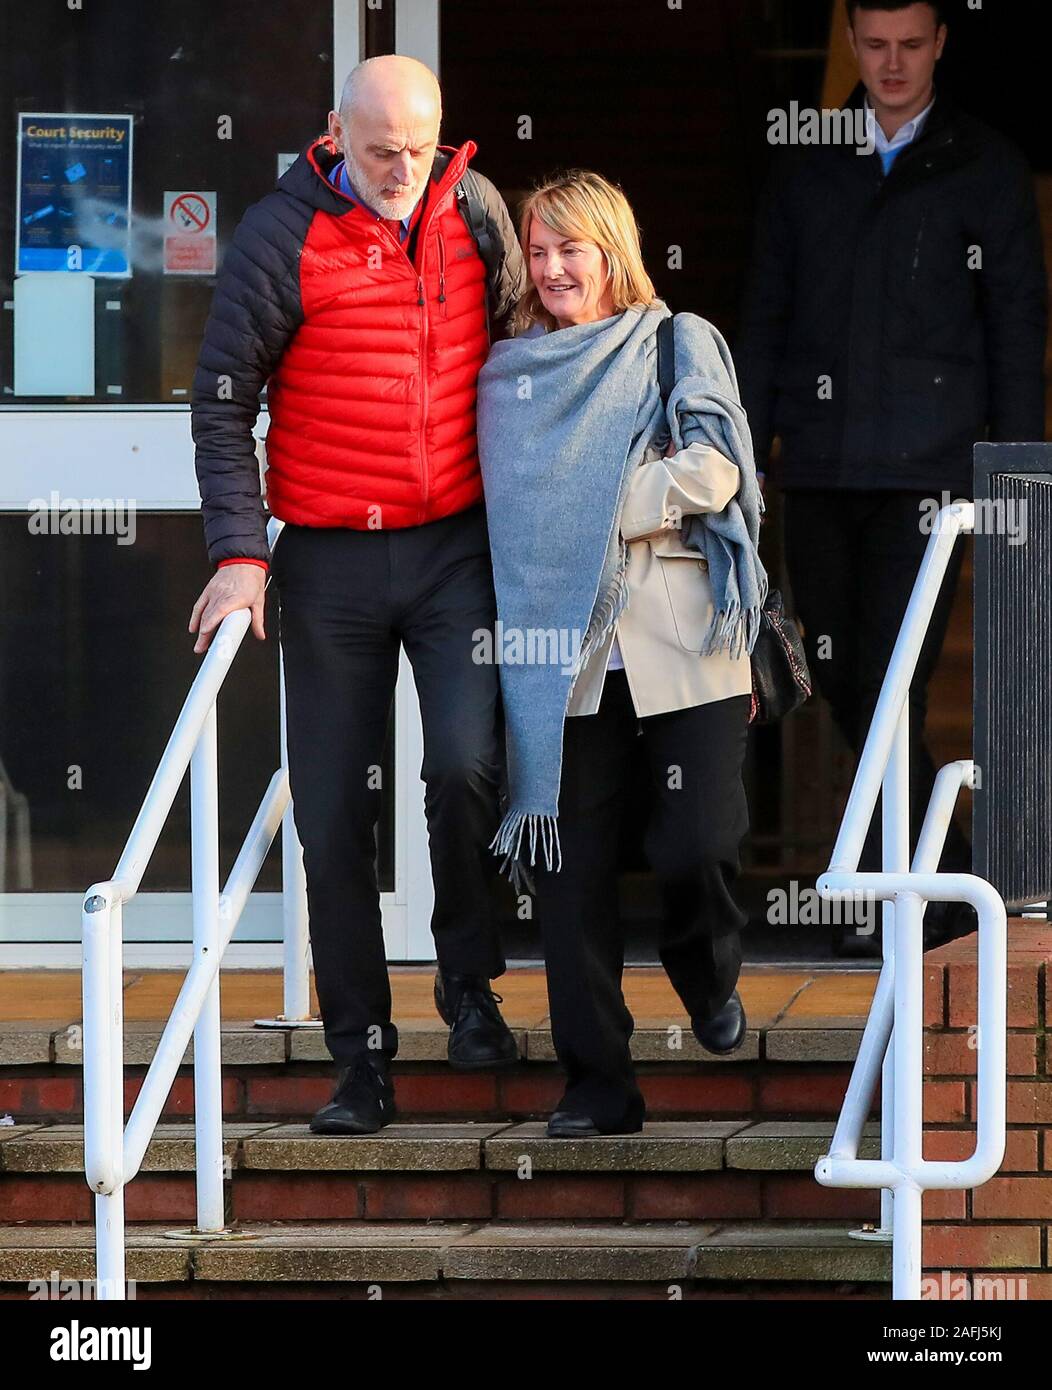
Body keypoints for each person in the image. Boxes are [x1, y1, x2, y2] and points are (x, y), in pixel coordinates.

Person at [188, 55, 528, 1135]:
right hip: (330, 559)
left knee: (468, 765)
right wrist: (242, 552)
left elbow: (527, 349)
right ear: (334, 130)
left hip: (454, 550)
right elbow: (219, 405)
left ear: (442, 134)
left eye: (416, 148)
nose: (398, 169)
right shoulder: (278, 233)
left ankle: (469, 987)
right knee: (333, 813)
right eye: (377, 149)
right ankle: (360, 1062)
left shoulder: (474, 207)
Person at [736, 0, 1047, 954]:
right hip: (818, 469)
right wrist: (740, 458)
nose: (893, 63)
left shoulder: (983, 165)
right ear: (852, 44)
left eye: (912, 44)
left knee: (893, 678)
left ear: (943, 42)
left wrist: (1021, 477)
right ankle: (946, 875)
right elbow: (766, 319)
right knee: (834, 676)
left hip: (932, 475)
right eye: (875, 45)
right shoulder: (809, 168)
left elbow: (1014, 328)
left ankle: (904, 900)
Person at [477, 171, 767, 1136]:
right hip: (564, 661)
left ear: (613, 253)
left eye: (575, 248)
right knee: (571, 880)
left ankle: (706, 972)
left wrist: (601, 509)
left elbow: (716, 468)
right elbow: (510, 511)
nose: (555, 267)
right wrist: (623, 499)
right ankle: (597, 1083)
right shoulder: (510, 374)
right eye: (539, 248)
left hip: (683, 644)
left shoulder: (675, 340)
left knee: (697, 843)